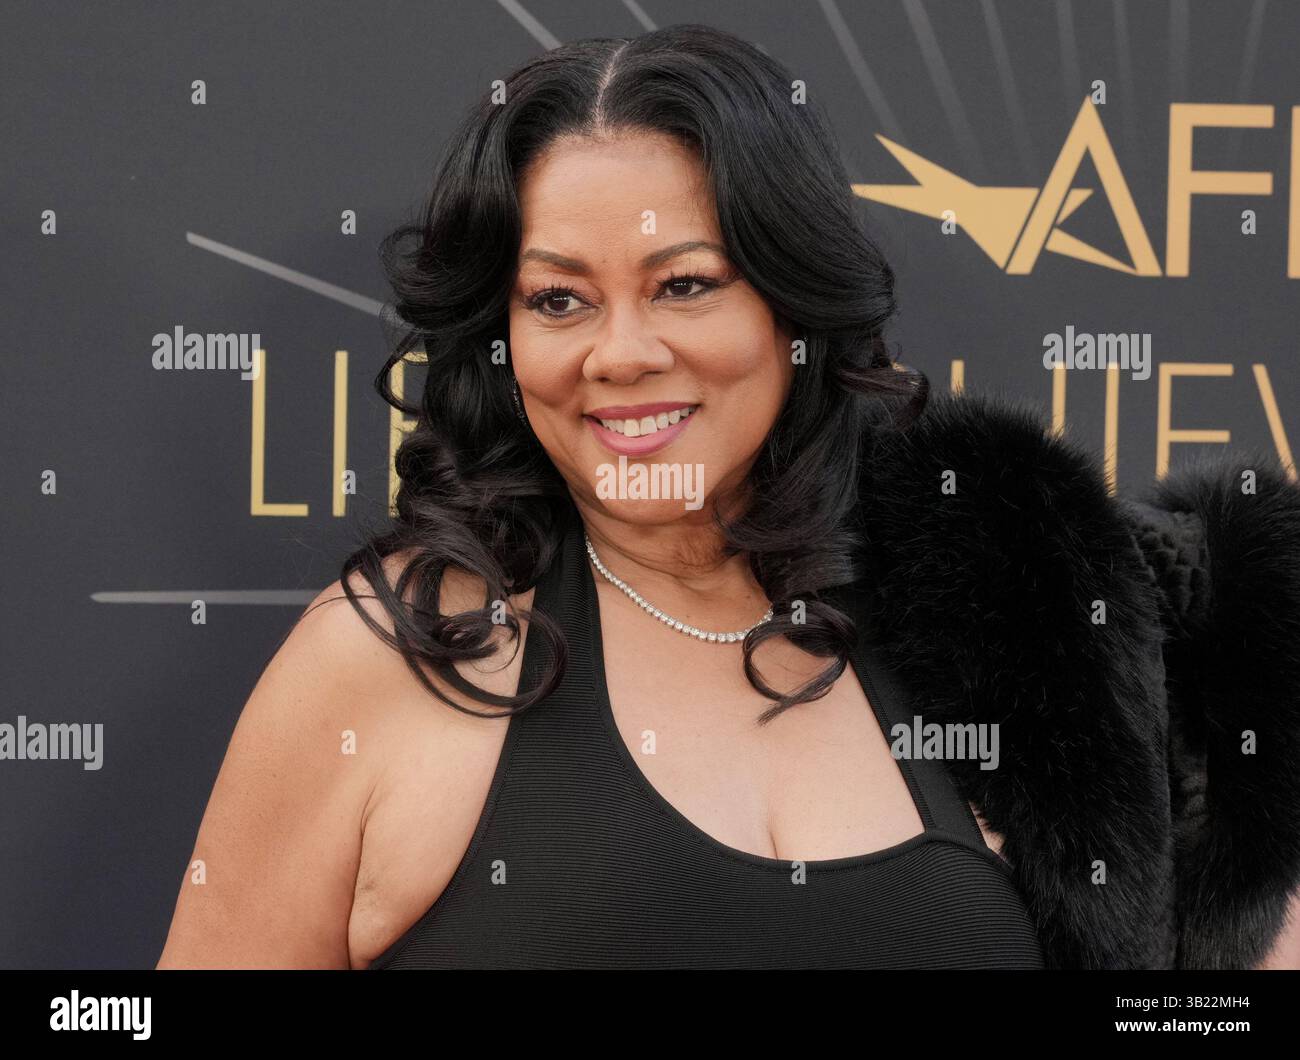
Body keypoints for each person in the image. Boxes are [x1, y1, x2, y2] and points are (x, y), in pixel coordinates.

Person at [157, 24, 1300, 970]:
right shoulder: (397, 652)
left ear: (791, 306)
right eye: (557, 301)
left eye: (686, 284)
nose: (621, 353)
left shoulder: (1001, 620)